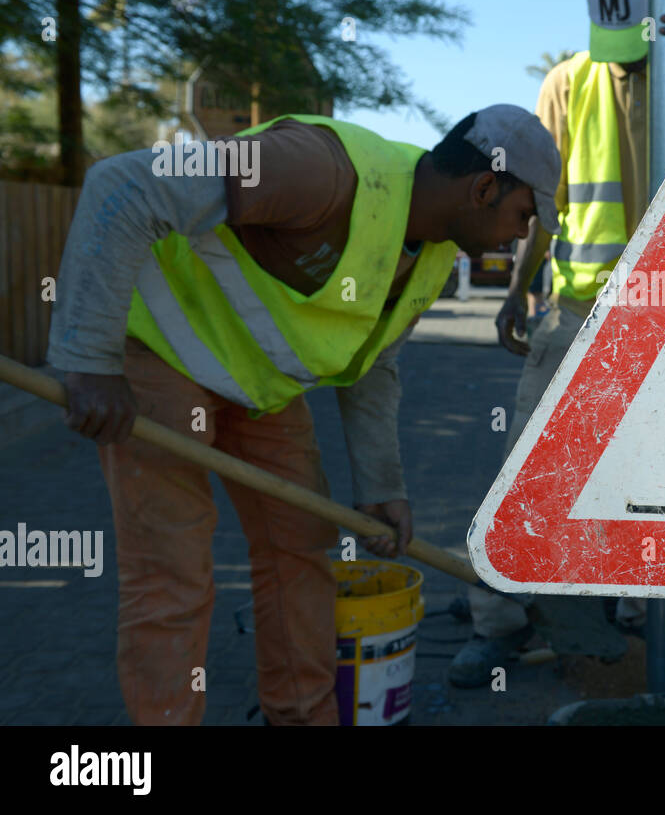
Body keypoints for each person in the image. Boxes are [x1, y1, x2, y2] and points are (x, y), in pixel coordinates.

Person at [49, 106, 561, 724]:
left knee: (302, 553)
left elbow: (374, 367)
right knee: (172, 576)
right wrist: (89, 359)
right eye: (522, 216)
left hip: (259, 388)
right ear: (484, 188)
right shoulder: (318, 171)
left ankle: (301, 716)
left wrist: (381, 489)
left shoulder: (430, 259)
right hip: (157, 354)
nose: (518, 236)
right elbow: (123, 185)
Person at [449, 0, 665, 687]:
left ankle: (635, 615)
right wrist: (517, 291)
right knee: (528, 476)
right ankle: (499, 623)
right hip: (574, 311)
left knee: (657, 481)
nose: (623, 62)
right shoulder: (567, 82)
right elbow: (541, 196)